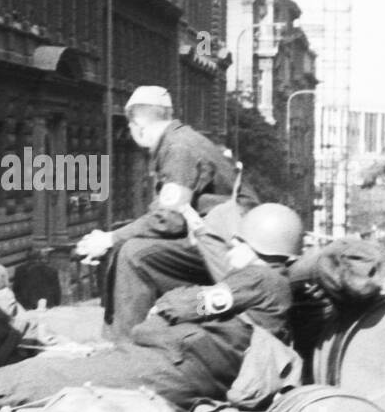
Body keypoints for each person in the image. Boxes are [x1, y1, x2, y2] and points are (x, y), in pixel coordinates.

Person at [0, 203, 301, 412]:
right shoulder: (271, 284)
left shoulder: (261, 279)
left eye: (235, 242)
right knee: (55, 370)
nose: (230, 250)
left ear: (252, 246)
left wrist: (168, 303)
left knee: (46, 377)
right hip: (177, 364)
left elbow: (187, 305)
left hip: (175, 367)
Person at [74, 86, 259, 343]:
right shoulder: (183, 141)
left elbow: (168, 220)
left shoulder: (178, 149)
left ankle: (123, 348)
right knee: (130, 245)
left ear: (137, 125)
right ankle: (149, 334)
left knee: (134, 254)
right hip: (220, 237)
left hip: (223, 244)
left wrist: (110, 239)